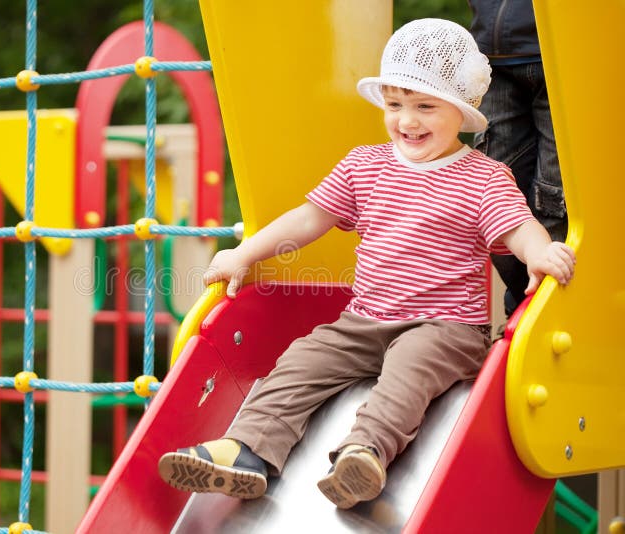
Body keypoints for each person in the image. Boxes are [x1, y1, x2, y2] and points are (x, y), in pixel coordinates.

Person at [157, 18, 576, 509]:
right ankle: (247, 450)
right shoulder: (365, 165)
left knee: (409, 367)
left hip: (446, 329)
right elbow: (308, 218)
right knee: (302, 359)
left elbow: (515, 226)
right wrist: (244, 253)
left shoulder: (483, 177)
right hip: (365, 318)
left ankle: (363, 453)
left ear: (461, 113)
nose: (408, 121)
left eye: (425, 107)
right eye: (395, 105)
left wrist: (540, 251)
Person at [469, 0, 568, 316]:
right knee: (490, 199)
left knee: (554, 197)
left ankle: (550, 311)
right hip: (494, 58)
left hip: (563, 50)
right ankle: (522, 303)